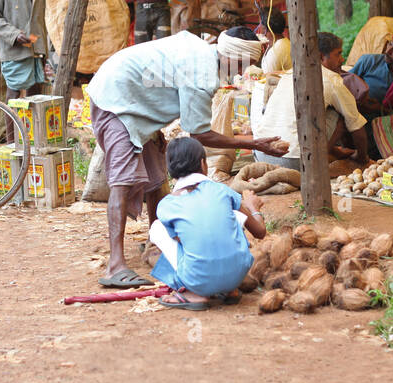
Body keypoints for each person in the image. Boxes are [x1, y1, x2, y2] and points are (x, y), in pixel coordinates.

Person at [85, 26, 287, 289]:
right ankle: (115, 264)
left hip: (133, 97)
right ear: (233, 56)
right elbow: (200, 134)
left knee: (156, 175)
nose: (241, 72)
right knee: (122, 181)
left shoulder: (205, 53)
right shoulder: (202, 74)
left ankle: (157, 242)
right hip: (117, 98)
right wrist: (252, 142)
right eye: (244, 64)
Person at [148, 137, 268, 310]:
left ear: (170, 170)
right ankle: (230, 290)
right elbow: (260, 232)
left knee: (158, 228)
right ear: (203, 164)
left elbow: (188, 240)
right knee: (231, 214)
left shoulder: (167, 204)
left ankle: (194, 294)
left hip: (198, 280)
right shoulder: (222, 190)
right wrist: (253, 207)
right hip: (238, 276)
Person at [254, 31, 369, 166]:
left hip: (261, 154)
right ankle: (319, 161)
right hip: (294, 160)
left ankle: (331, 152)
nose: (342, 59)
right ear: (321, 57)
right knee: (342, 114)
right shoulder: (331, 79)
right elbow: (356, 125)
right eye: (338, 54)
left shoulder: (290, 74)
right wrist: (362, 158)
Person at [349, 35, 393, 115]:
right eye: (390, 44)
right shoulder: (369, 61)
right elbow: (344, 84)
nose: (388, 51)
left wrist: (381, 109)